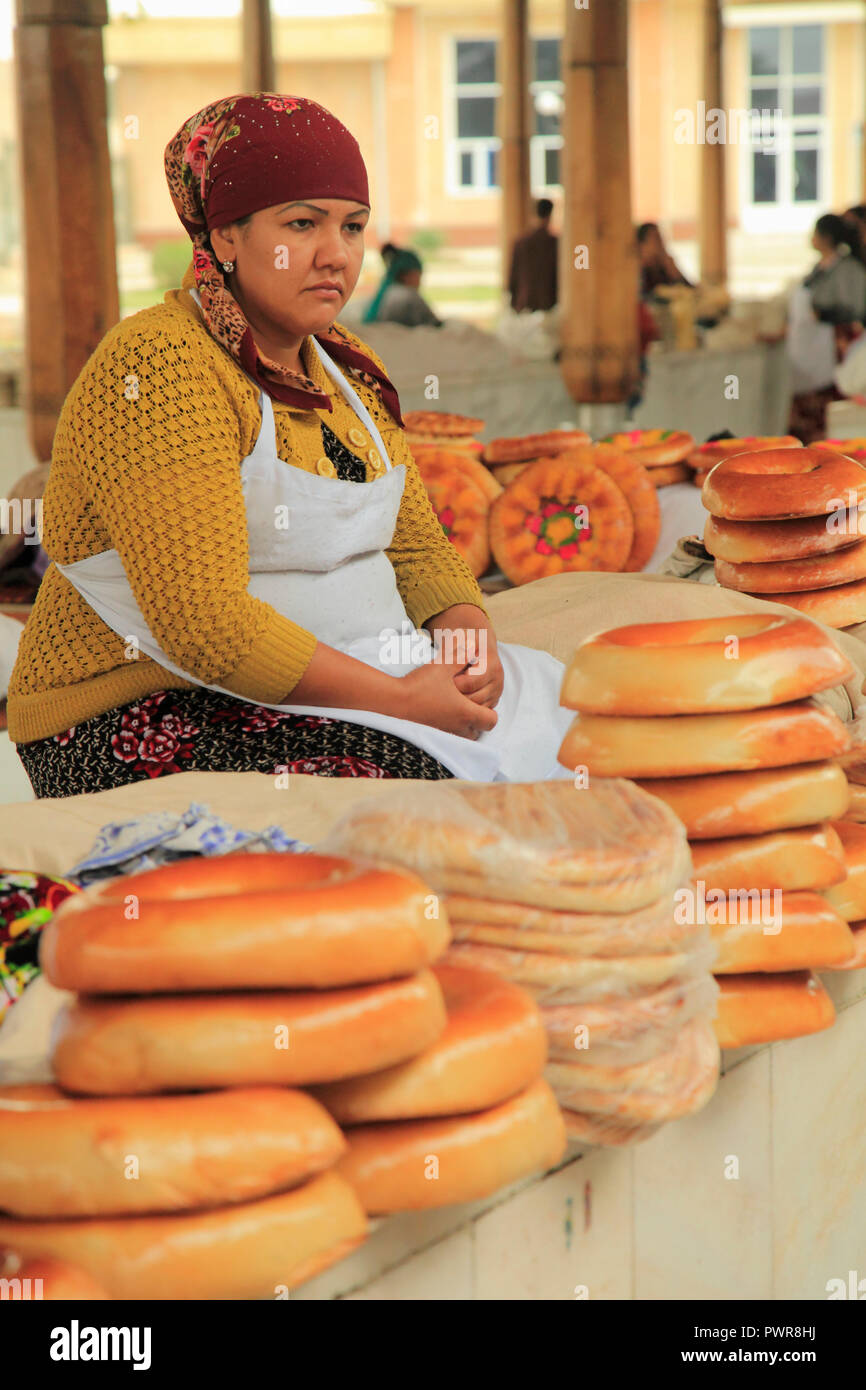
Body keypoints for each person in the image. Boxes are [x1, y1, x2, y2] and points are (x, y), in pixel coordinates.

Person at [8, 93, 573, 797]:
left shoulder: (348, 368)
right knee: (416, 796)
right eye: (301, 224)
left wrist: (467, 646)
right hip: (136, 707)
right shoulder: (158, 366)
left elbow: (418, 549)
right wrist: (400, 702)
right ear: (225, 238)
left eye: (353, 226)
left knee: (572, 726)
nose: (335, 255)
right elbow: (205, 629)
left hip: (350, 673)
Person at [788, 214, 866, 441]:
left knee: (831, 412)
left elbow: (854, 307)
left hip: (834, 348)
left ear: (826, 237)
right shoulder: (819, 269)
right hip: (808, 348)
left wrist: (823, 314)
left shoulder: (848, 270)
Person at [362, 243, 441, 327]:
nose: (419, 281)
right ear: (407, 276)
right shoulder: (409, 296)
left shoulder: (387, 292)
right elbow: (435, 323)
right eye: (418, 275)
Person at [508, 198, 558, 312]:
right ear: (550, 215)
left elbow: (513, 277)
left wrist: (514, 303)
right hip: (547, 304)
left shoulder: (521, 242)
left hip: (524, 302)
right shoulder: (554, 243)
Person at [637, 223, 693, 298]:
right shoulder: (638, 271)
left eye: (661, 238)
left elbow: (691, 290)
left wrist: (675, 272)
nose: (661, 243)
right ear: (643, 245)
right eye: (656, 238)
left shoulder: (663, 266)